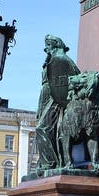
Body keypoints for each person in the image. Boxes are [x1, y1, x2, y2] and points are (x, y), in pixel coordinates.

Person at [35, 35, 80, 170]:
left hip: (55, 97)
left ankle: (50, 162)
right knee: (49, 128)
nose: (46, 49)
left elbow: (75, 78)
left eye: (48, 46)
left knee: (42, 128)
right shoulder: (53, 60)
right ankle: (48, 162)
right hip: (46, 95)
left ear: (55, 46)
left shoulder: (62, 59)